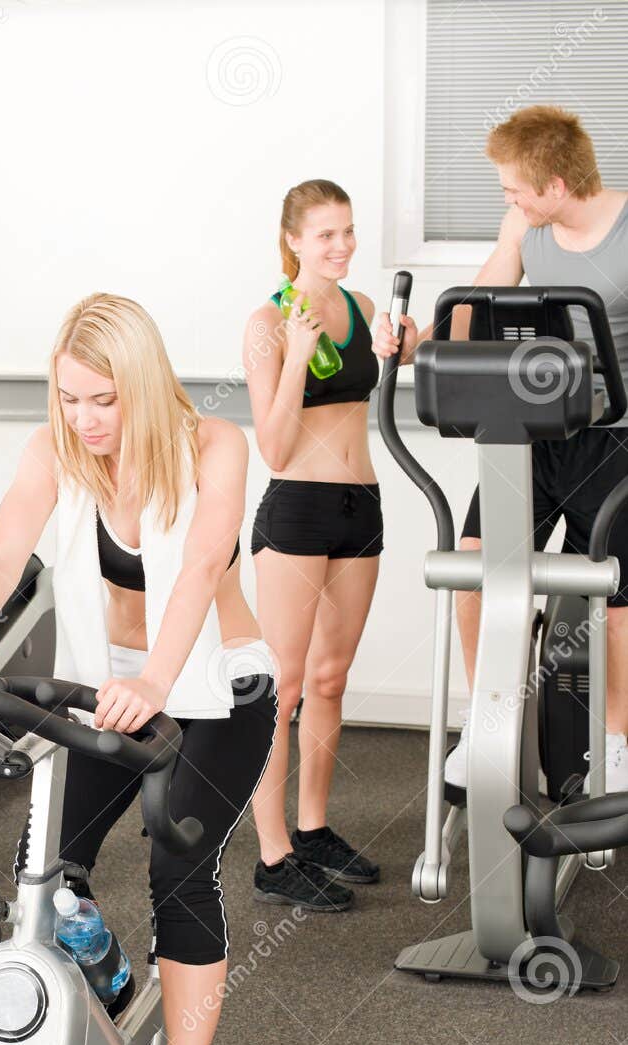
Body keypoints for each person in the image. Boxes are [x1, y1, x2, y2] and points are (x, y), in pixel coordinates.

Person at [0, 293, 276, 1045]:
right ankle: (110, 980)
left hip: (212, 689)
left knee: (178, 868)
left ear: (145, 387)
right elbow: (4, 555)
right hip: (109, 688)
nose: (83, 419)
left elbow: (199, 566)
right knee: (50, 874)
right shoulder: (58, 451)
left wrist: (157, 681)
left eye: (102, 400)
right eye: (69, 398)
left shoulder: (215, 446)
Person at [375, 106, 628, 791]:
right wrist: (415, 343)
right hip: (531, 435)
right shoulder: (526, 224)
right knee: (469, 566)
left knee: (616, 597)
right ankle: (486, 719)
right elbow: (477, 298)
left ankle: (616, 743)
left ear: (554, 183)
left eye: (515, 189)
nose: (506, 201)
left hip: (616, 440)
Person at [243, 180, 382, 913]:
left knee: (330, 679)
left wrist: (406, 344)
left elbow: (371, 381)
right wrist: (297, 355)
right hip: (296, 511)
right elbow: (272, 444)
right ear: (293, 239)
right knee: (283, 689)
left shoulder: (357, 309)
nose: (341, 246)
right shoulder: (269, 322)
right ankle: (272, 855)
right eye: (325, 235)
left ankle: (314, 826)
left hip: (361, 508)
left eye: (348, 232)